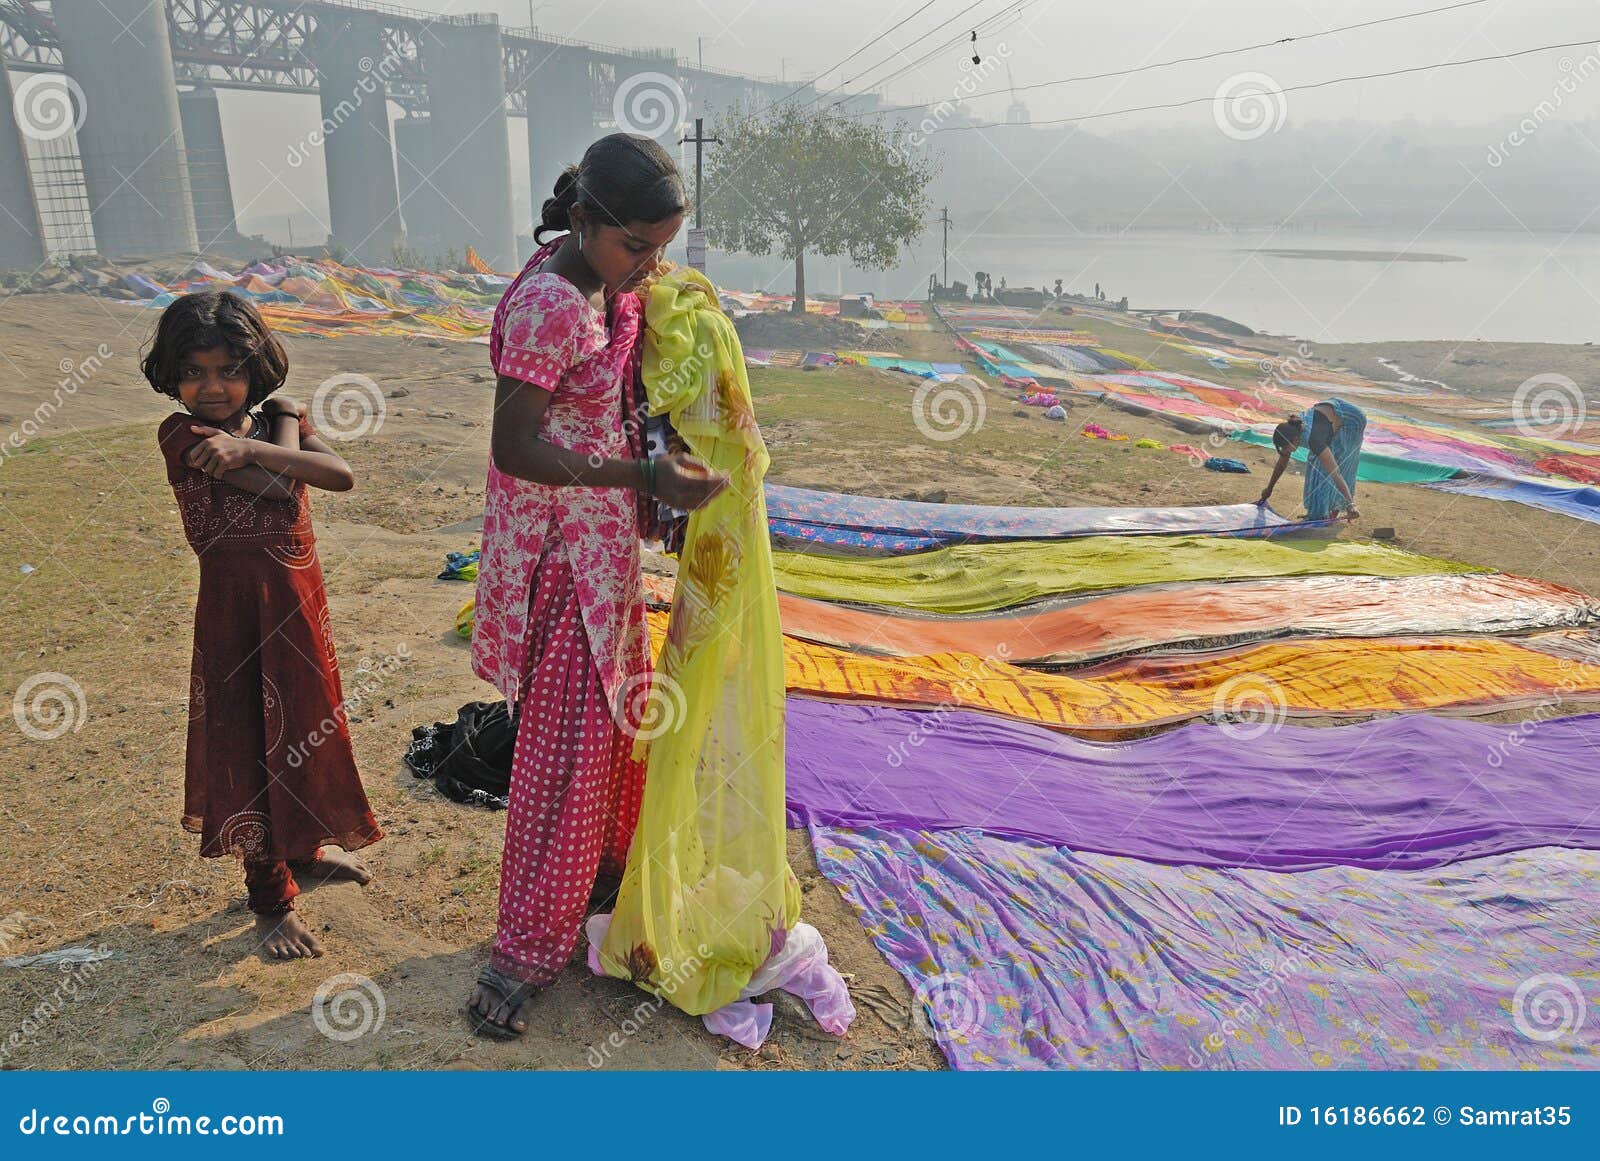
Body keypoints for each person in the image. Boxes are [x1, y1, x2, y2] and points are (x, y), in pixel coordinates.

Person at [465, 133, 727, 1038]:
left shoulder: (608, 284)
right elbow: (515, 447)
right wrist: (641, 481)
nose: (650, 267)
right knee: (564, 747)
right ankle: (523, 949)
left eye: (662, 249)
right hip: (557, 557)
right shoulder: (549, 305)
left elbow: (627, 399)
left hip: (602, 546)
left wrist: (660, 456)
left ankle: (604, 882)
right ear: (583, 220)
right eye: (637, 248)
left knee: (618, 722)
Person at [146, 291, 382, 960]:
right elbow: (283, 487)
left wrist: (276, 420)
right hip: (234, 619)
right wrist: (283, 421)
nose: (212, 387)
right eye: (194, 371)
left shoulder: (261, 427)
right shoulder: (184, 436)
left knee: (306, 729)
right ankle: (270, 900)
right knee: (249, 743)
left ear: (257, 368)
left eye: (228, 370)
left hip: (298, 608)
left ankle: (303, 849)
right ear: (172, 375)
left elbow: (339, 474)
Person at [1259, 399, 1367, 521]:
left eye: (1285, 447)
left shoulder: (1315, 440)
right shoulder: (1292, 431)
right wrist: (1269, 489)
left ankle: (1333, 509)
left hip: (1351, 419)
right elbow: (1282, 463)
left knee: (1333, 465)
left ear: (1295, 440)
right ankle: (1316, 511)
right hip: (1329, 416)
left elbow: (1335, 473)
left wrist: (1351, 504)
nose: (1285, 451)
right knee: (1315, 462)